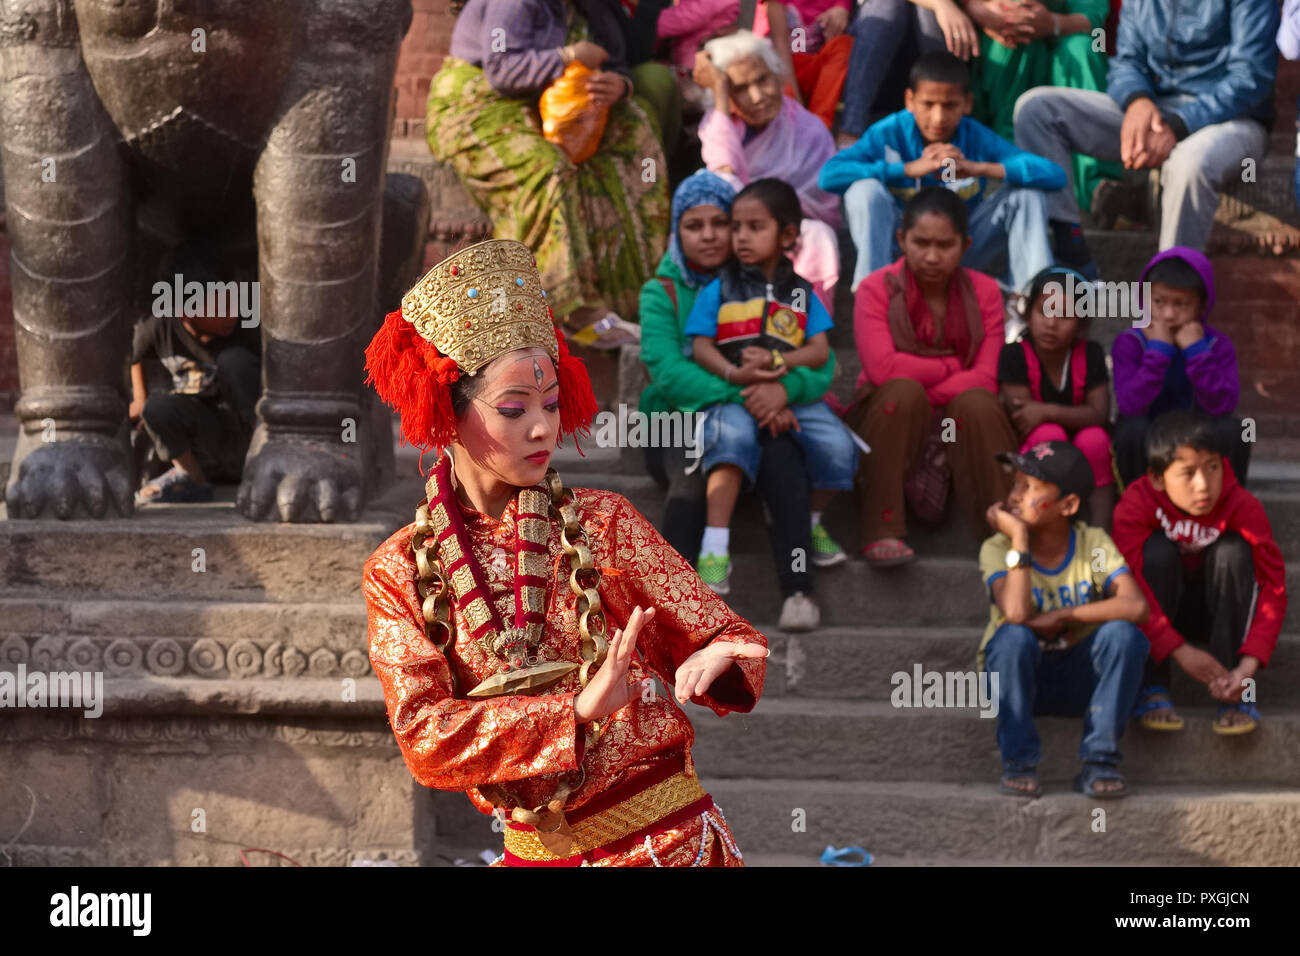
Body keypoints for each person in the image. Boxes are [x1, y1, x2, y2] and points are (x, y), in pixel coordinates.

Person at [362, 239, 769, 867]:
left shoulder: (604, 524)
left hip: (664, 845)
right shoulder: (398, 571)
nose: (542, 428)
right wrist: (573, 710)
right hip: (535, 853)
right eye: (513, 408)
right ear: (447, 409)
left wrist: (717, 653)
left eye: (551, 404)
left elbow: (721, 635)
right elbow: (424, 738)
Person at [638, 171, 831, 631]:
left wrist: (782, 391)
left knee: (786, 462)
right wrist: (752, 394)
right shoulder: (661, 292)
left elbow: (821, 366)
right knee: (692, 470)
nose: (708, 236)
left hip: (759, 419)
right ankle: (675, 611)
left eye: (720, 223)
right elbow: (667, 373)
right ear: (676, 232)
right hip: (677, 420)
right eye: (692, 225)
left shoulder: (779, 289)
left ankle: (799, 592)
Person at [427, 0, 671, 350]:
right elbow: (502, 70)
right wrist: (567, 56)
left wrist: (619, 84)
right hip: (478, 103)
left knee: (633, 133)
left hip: (552, 107)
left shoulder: (591, 8)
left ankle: (637, 300)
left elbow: (618, 58)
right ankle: (566, 309)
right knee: (548, 168)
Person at [682, 178, 858, 606]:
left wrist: (780, 368)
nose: (740, 237)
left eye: (754, 227)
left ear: (788, 235)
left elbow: (818, 351)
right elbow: (701, 346)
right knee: (731, 440)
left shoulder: (800, 293)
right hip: (732, 396)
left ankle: (813, 521)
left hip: (792, 396)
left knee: (839, 446)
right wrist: (734, 374)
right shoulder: (719, 287)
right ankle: (714, 548)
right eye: (736, 226)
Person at [1014, 0, 1280, 271]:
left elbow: (1250, 79)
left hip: (1231, 119)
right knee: (1036, 110)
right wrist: (1138, 101)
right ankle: (1072, 256)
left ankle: (1172, 290)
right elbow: (1127, 61)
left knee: (1188, 165)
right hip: (1156, 111)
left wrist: (1178, 126)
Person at [846, 187, 1019, 567]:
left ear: (965, 244)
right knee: (902, 395)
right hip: (891, 419)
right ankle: (882, 529)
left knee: (979, 404)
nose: (931, 256)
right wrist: (949, 368)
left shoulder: (986, 291)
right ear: (900, 240)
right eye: (920, 243)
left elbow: (987, 378)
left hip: (956, 426)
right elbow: (882, 370)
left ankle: (1009, 533)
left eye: (945, 245)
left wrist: (927, 382)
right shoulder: (875, 289)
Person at [979, 440, 1150, 798]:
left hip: (1080, 677)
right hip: (1020, 680)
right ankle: (1019, 761)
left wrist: (1063, 615)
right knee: (1012, 638)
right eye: (1015, 484)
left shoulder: (1093, 548)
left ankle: (1100, 760)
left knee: (1124, 636)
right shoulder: (998, 548)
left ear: (1068, 505)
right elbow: (1015, 612)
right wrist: (1020, 539)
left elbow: (1133, 605)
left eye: (1029, 488)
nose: (1014, 496)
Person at [819, 50, 1064, 294]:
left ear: (967, 103)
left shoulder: (975, 136)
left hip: (959, 247)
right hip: (900, 249)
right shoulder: (888, 132)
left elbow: (1055, 175)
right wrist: (905, 169)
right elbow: (829, 176)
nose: (938, 117)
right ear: (910, 101)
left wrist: (978, 168)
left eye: (949, 105)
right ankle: (876, 295)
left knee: (1028, 195)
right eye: (928, 104)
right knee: (864, 190)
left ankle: (1032, 300)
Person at [1112, 410, 1288, 737]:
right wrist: (1177, 648)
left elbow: (1272, 587)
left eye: (1212, 468)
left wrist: (1250, 665)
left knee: (1233, 553)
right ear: (1157, 478)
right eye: (1188, 473)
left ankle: (1236, 690)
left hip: (1217, 607)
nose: (1204, 485)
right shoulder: (1135, 503)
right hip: (1163, 610)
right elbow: (1129, 587)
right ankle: (1152, 686)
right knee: (1156, 555)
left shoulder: (1242, 505)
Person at [693, 29, 841, 310]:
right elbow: (723, 179)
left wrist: (768, 222)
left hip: (787, 231)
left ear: (777, 75)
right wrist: (721, 98)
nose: (758, 96)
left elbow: (823, 203)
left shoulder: (809, 130)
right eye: (739, 89)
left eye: (763, 80)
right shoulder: (721, 124)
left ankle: (803, 323)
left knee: (818, 236)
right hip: (736, 228)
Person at [130, 245, 261, 505]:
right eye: (221, 304)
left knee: (234, 361)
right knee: (155, 409)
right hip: (206, 434)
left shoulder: (249, 321)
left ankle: (261, 465)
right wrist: (140, 399)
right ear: (186, 312)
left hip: (249, 431)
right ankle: (192, 479)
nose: (232, 310)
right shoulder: (159, 326)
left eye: (233, 297)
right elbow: (134, 356)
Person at [962, 0, 1121, 216]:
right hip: (999, 37)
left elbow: (1094, 21)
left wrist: (1053, 23)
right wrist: (977, 11)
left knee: (1085, 49)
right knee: (1009, 44)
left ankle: (1097, 184)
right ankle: (1013, 161)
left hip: (1075, 39)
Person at [1111, 247, 1248, 487]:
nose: (1168, 314)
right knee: (1129, 430)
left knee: (1239, 429)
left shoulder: (1217, 344)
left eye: (1181, 304)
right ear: (1144, 299)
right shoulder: (1131, 342)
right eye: (1158, 301)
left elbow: (1224, 405)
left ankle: (1226, 509)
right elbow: (1129, 406)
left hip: (1198, 431)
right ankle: (1136, 509)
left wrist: (1197, 352)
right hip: (1150, 432)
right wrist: (1157, 352)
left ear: (1201, 306)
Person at [998, 265, 1114, 528]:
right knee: (1049, 436)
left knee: (1095, 439)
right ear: (1029, 315)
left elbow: (1097, 414)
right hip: (1035, 445)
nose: (1051, 324)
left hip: (1084, 444)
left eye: (1064, 315)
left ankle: (1101, 530)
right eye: (1043, 311)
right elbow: (1024, 418)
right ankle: (1039, 525)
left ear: (1081, 323)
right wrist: (1052, 416)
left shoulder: (1091, 353)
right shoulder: (1014, 355)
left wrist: (1045, 410)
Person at [837, 0, 947, 149]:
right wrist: (941, 5)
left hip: (932, 33)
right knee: (887, 5)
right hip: (874, 33)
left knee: (927, 12)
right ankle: (850, 132)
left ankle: (943, 133)